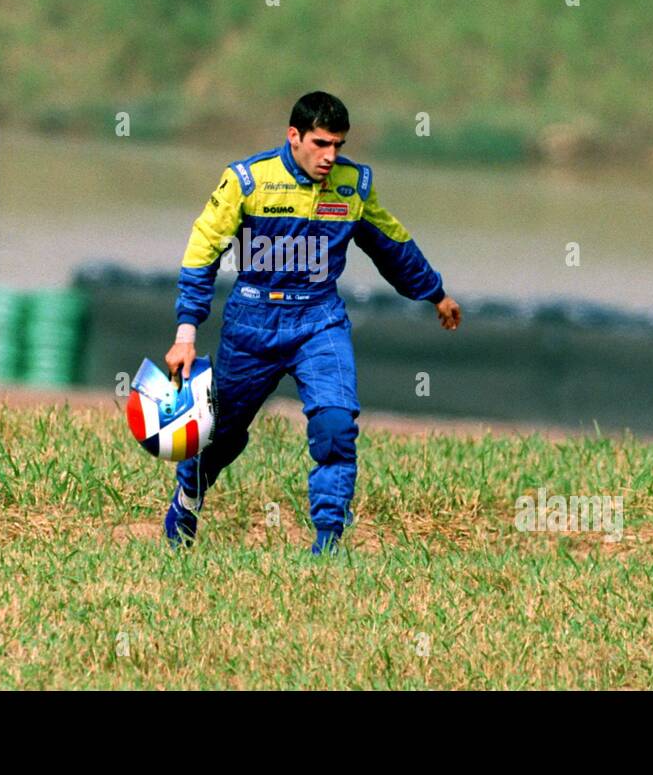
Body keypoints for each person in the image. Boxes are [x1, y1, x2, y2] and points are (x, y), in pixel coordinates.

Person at [163, 90, 461, 554]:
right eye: (321, 143)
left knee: (336, 425)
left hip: (320, 319)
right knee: (221, 436)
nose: (330, 156)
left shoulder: (354, 185)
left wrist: (435, 293)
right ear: (294, 136)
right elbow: (203, 250)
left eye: (338, 145)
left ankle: (327, 541)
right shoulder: (246, 179)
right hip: (253, 322)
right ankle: (188, 497)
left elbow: (392, 245)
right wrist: (186, 333)